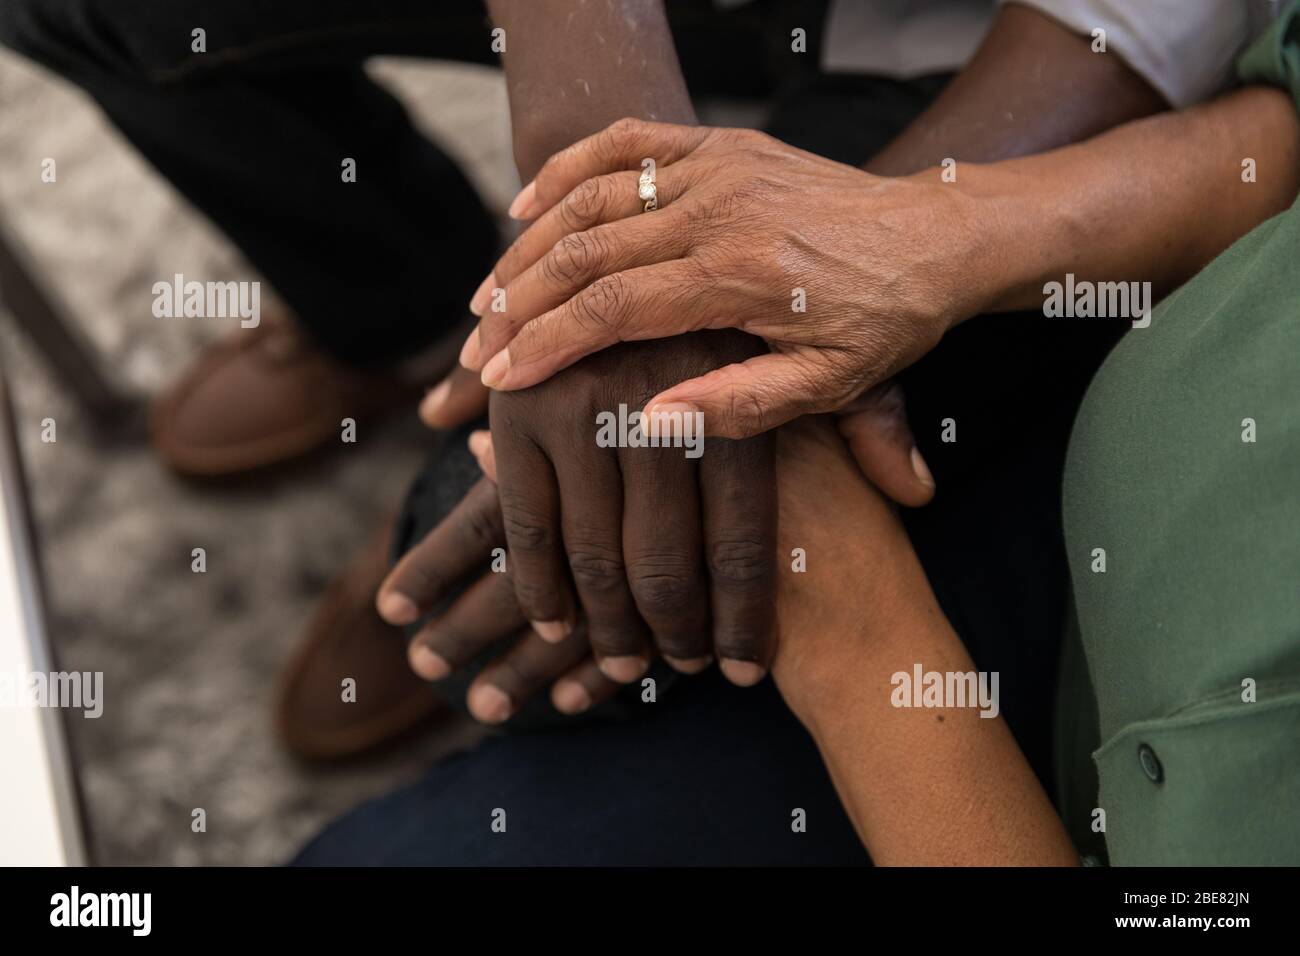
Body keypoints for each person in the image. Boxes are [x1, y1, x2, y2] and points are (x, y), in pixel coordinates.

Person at [301, 7, 1300, 863]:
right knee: (544, 531)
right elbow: (1282, 115)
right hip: (1125, 417)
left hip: (972, 753)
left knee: (555, 566)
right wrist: (931, 234)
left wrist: (843, 609)